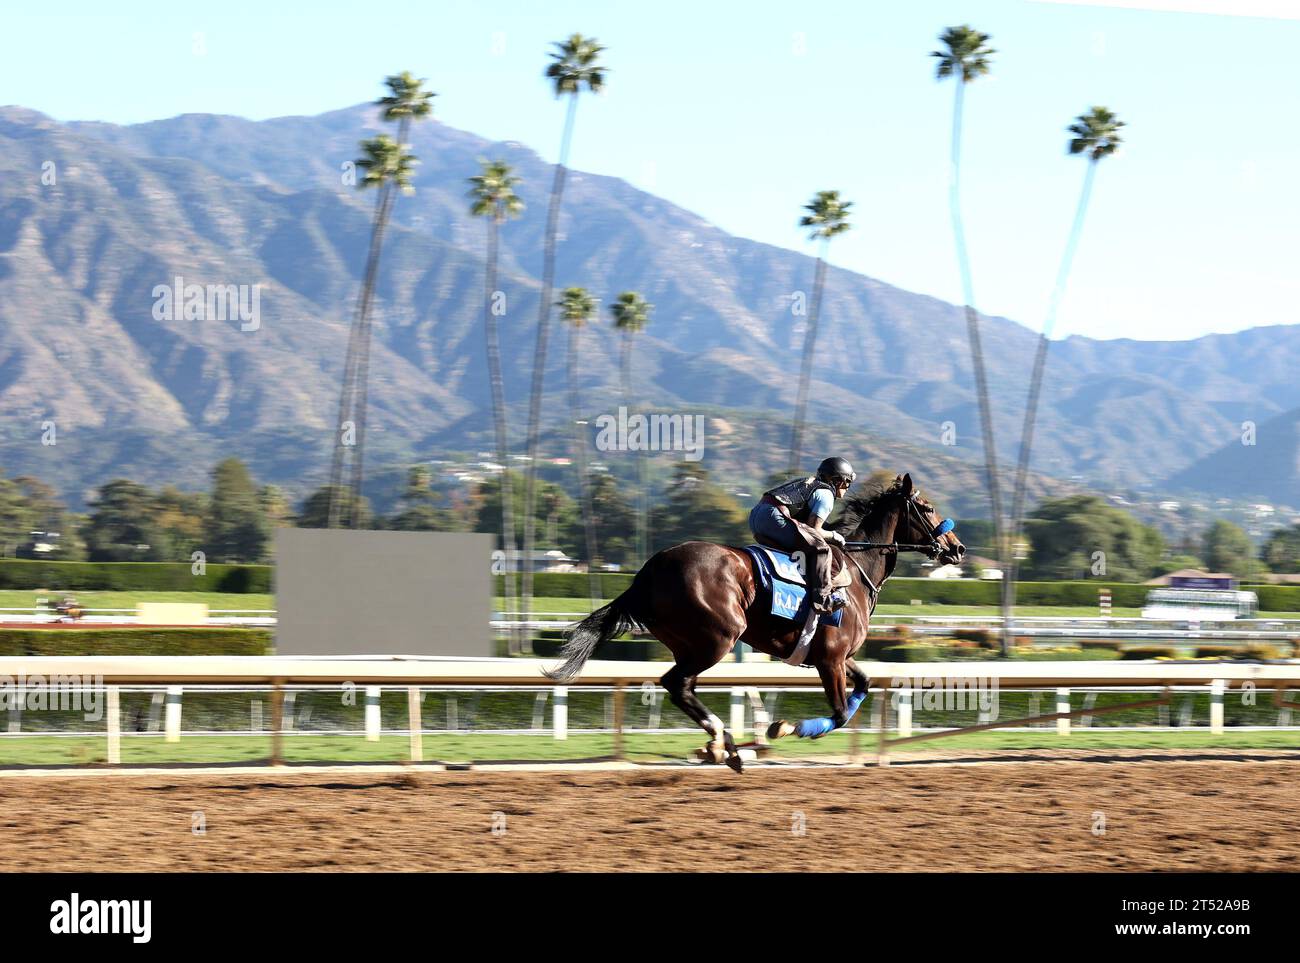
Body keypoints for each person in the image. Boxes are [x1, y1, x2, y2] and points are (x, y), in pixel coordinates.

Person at [749, 457, 856, 612]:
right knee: (821, 548)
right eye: (847, 483)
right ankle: (823, 598)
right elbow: (814, 530)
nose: (847, 488)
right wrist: (834, 536)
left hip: (756, 515)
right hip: (772, 517)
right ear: (839, 481)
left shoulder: (810, 483)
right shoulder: (826, 495)